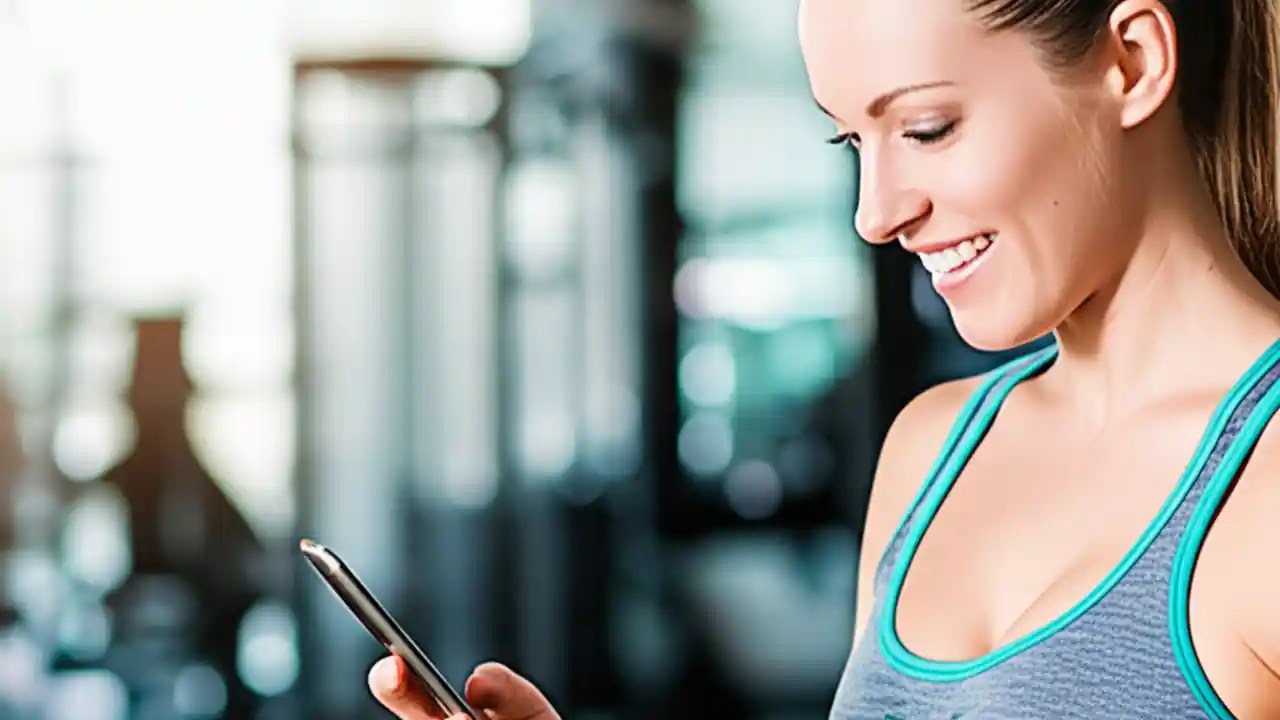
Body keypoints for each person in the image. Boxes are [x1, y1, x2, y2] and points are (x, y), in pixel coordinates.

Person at [369, 0, 1280, 716]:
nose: (875, 215)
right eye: (852, 141)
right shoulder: (932, 452)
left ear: (1133, 62)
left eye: (925, 128)